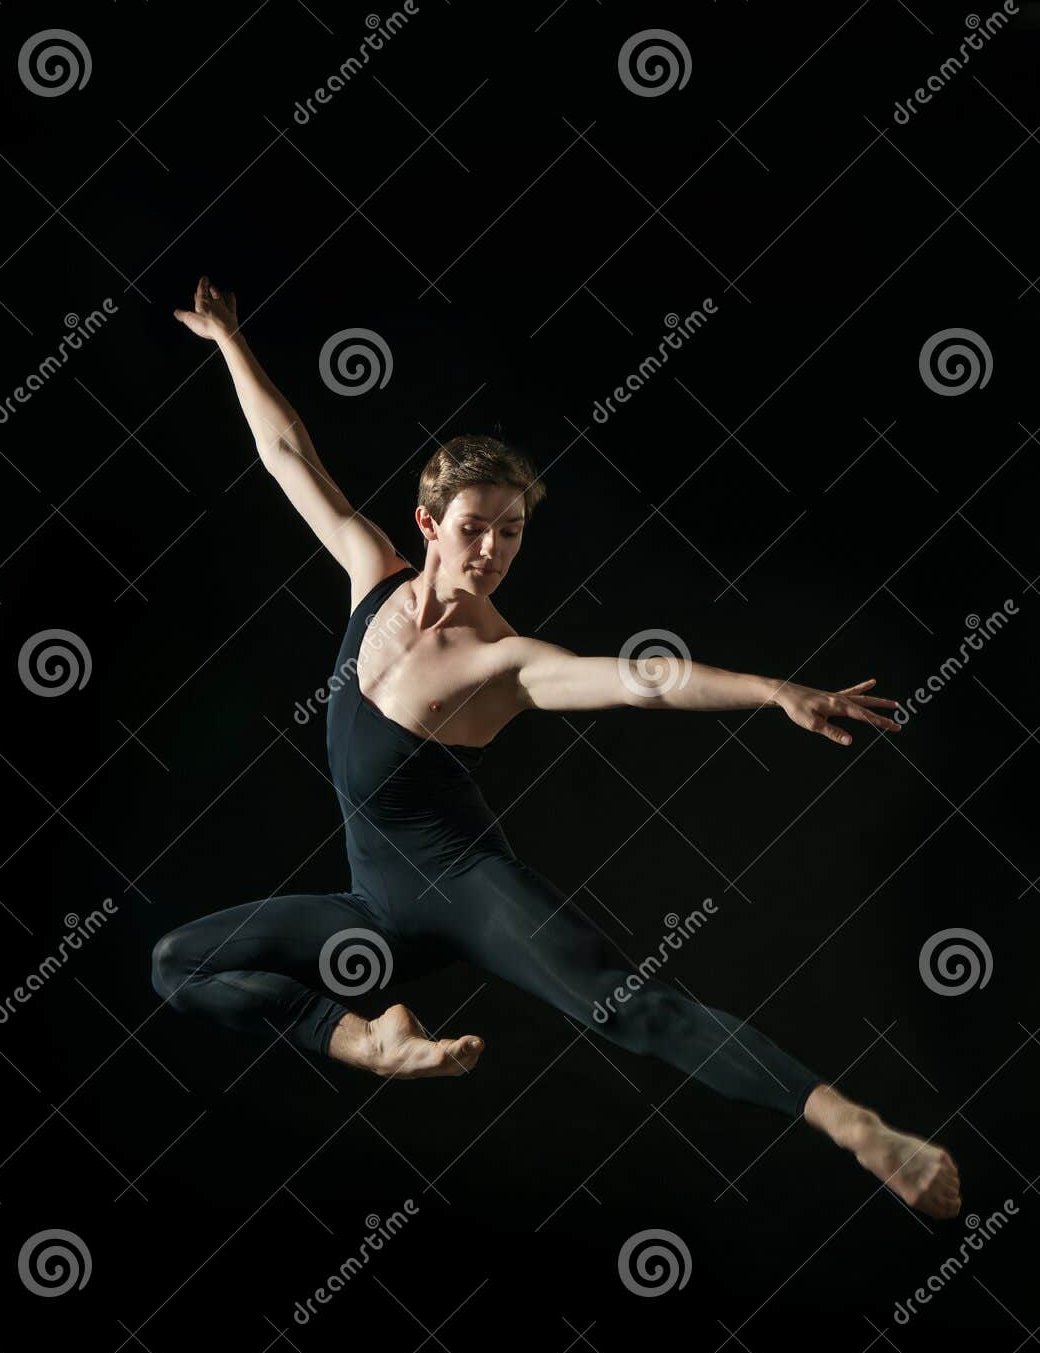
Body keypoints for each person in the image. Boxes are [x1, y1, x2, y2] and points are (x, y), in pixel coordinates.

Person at [152, 276, 962, 1221]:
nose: (492, 548)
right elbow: (287, 451)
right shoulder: (370, 576)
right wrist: (228, 344)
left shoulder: (507, 660)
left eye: (511, 531)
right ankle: (369, 1043)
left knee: (628, 1008)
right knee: (179, 962)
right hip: (370, 911)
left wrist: (774, 690)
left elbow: (641, 678)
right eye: (474, 528)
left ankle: (860, 1127)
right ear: (429, 526)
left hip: (464, 888)